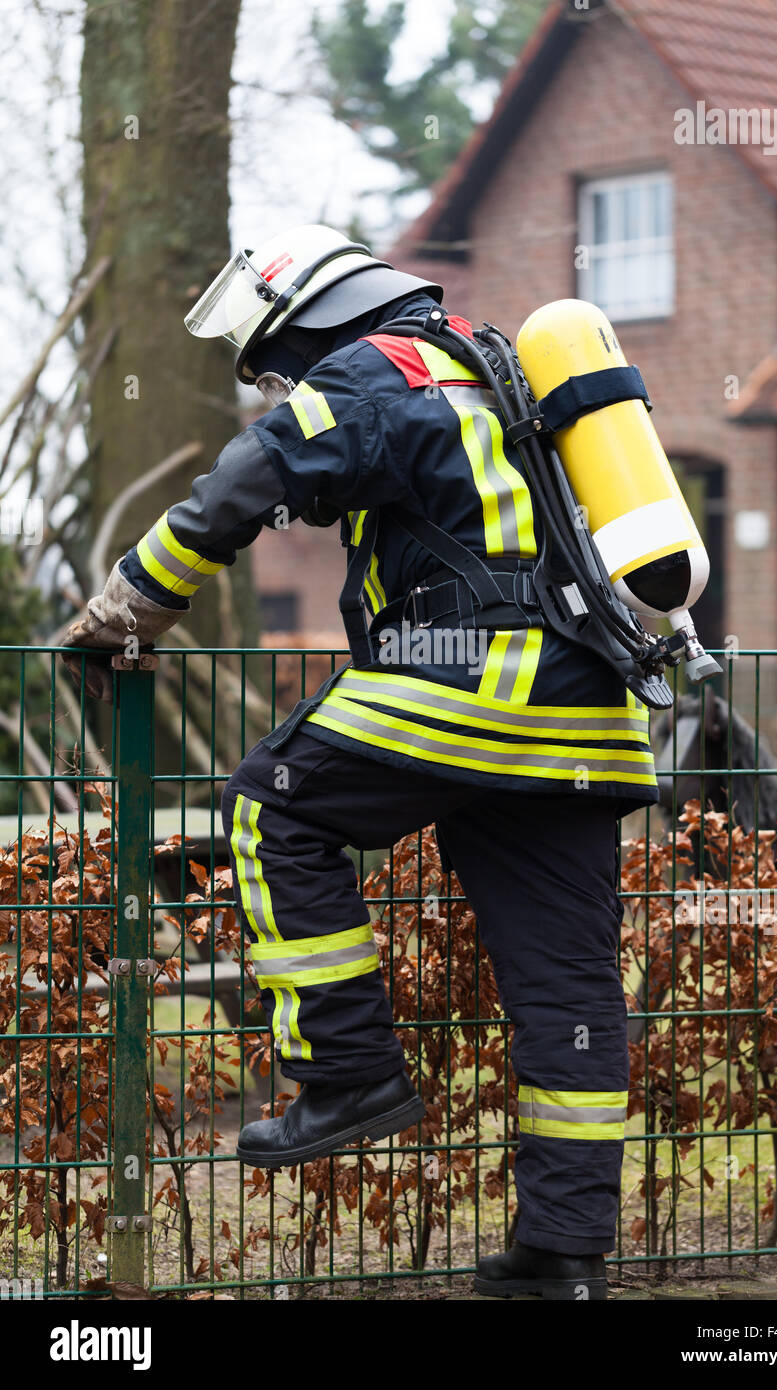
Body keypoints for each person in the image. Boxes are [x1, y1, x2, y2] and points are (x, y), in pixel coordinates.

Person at [63, 224, 658, 1300]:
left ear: (310, 315)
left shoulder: (376, 366)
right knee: (567, 990)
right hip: (587, 722)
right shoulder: (498, 368)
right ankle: (561, 1255)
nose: (285, 381)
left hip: (468, 683)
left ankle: (346, 1071)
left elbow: (245, 481)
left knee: (269, 811)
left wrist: (123, 611)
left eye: (278, 359)